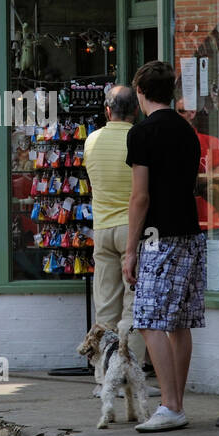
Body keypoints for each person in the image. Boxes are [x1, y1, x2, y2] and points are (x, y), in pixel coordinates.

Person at [123, 61, 203, 433]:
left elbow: (140, 197)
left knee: (149, 320)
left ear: (140, 92)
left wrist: (130, 248)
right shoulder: (189, 132)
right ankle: (178, 403)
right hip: (191, 233)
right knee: (180, 323)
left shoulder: (142, 133)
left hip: (159, 237)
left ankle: (169, 406)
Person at [83, 86, 147, 387]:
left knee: (105, 309)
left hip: (103, 229)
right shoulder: (138, 138)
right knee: (132, 309)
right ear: (135, 110)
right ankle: (128, 378)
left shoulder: (91, 140)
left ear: (108, 111)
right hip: (132, 228)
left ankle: (103, 379)